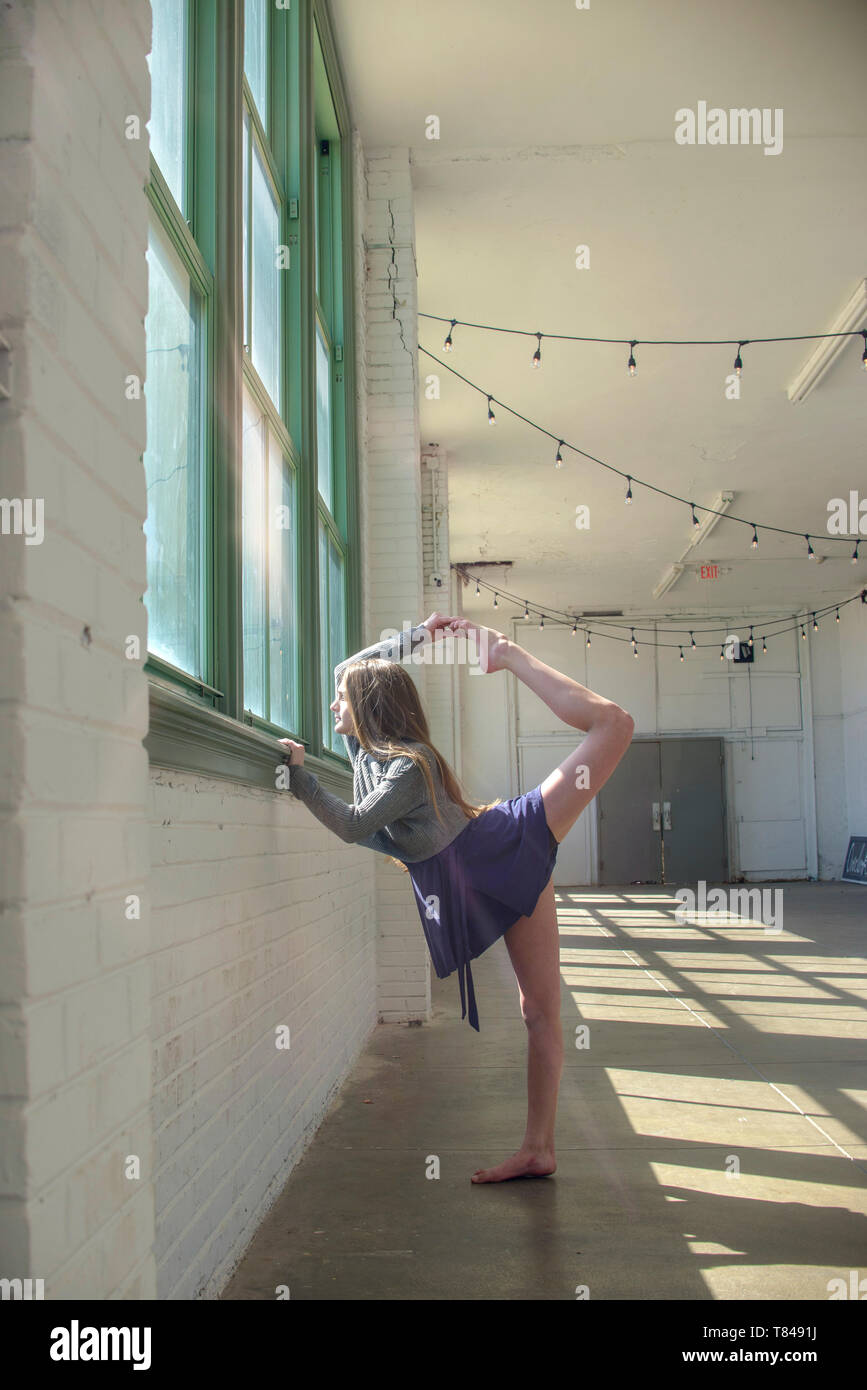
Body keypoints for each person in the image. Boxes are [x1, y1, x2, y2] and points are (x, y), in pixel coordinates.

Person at [279, 612, 634, 1183]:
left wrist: (299, 775)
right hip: (487, 873)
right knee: (538, 1011)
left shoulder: (406, 769)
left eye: (340, 700)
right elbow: (351, 667)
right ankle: (538, 1149)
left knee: (615, 725)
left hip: (504, 843)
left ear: (365, 707)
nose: (331, 705)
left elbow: (350, 825)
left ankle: (510, 656)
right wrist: (417, 634)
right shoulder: (365, 754)